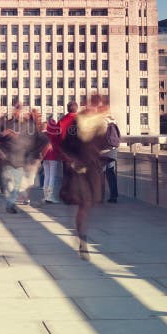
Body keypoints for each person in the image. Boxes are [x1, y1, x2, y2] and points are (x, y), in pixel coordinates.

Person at [62, 97, 108, 260]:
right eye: (91, 104)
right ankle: (82, 240)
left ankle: (81, 235)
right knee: (83, 203)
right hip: (77, 169)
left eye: (96, 106)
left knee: (88, 204)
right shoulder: (76, 123)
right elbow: (65, 145)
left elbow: (105, 144)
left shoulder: (101, 124)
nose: (93, 108)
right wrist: (73, 161)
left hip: (92, 169)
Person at [0, 103, 35, 214]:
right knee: (8, 182)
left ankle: (11, 203)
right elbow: (0, 138)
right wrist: (6, 134)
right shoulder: (7, 123)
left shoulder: (27, 126)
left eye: (20, 111)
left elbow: (29, 141)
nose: (19, 113)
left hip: (19, 158)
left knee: (17, 183)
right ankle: (10, 201)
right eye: (17, 110)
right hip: (8, 157)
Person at [99, 97, 121, 203]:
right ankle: (114, 196)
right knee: (111, 172)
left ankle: (99, 196)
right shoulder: (114, 120)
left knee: (100, 173)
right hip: (113, 150)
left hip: (103, 151)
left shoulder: (102, 121)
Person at [56, 101, 79, 204]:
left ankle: (67, 197)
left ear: (67, 108)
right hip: (78, 154)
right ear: (77, 109)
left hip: (65, 153)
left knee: (67, 175)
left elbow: (55, 138)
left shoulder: (61, 121)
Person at [42, 116, 62, 204]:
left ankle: (45, 195)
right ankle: (50, 196)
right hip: (53, 157)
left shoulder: (45, 134)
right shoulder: (56, 136)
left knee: (46, 176)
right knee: (52, 176)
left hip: (45, 157)